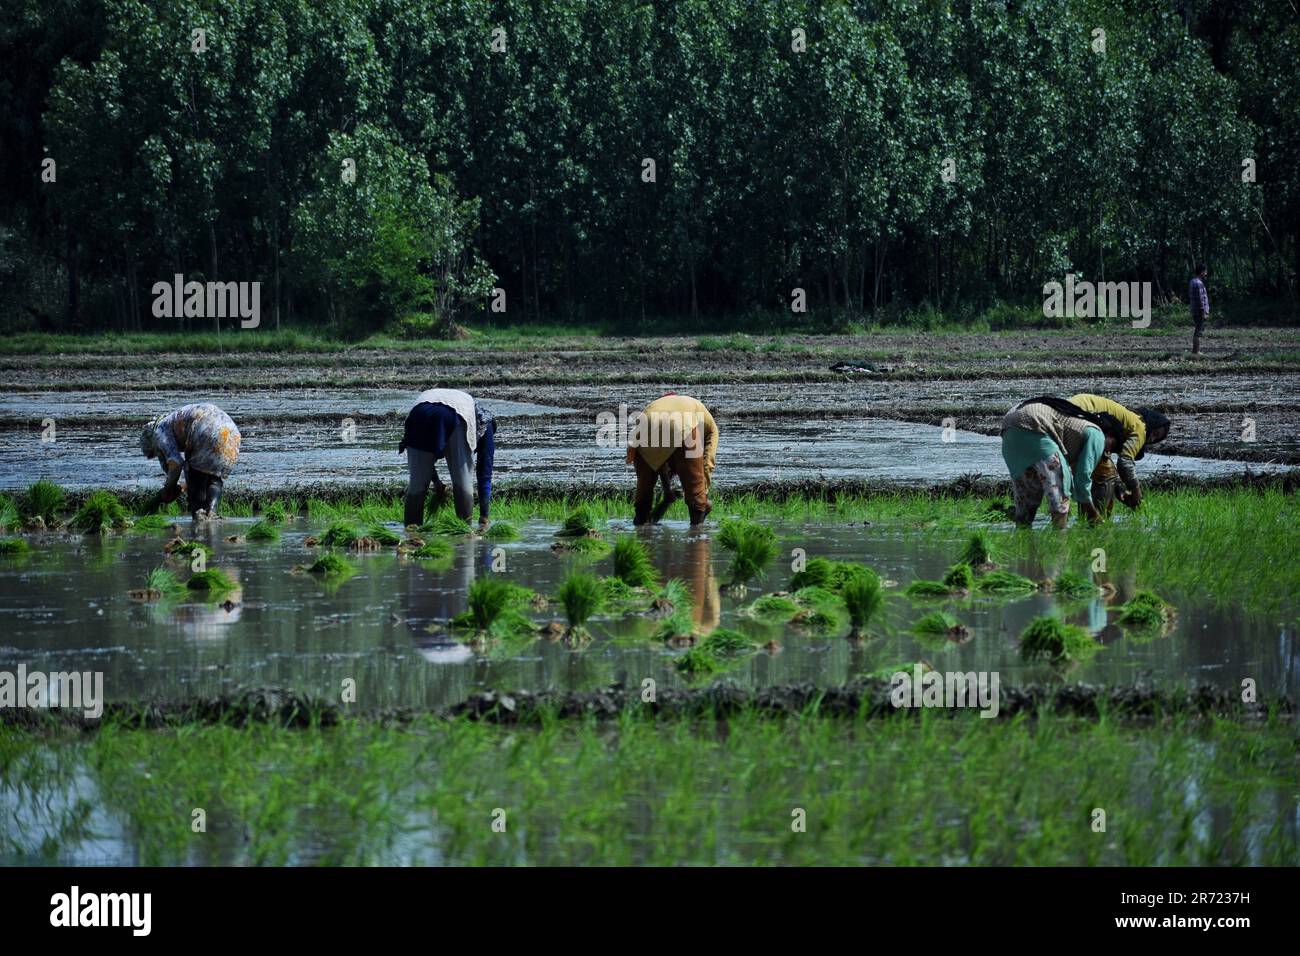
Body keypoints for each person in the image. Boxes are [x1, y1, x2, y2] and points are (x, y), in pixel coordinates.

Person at [999, 396, 1126, 528]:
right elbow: (1082, 478)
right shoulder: (1097, 434)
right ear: (1109, 435)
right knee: (1060, 497)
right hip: (1034, 420)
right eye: (1112, 446)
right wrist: (1092, 513)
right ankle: (1060, 543)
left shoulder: (1076, 424)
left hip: (1010, 425)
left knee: (1027, 504)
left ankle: (1024, 544)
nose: (1107, 452)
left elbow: (1076, 472)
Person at [398, 388, 495, 529]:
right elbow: (484, 474)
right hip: (455, 414)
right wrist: (484, 516)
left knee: (417, 484)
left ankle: (411, 536)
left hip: (418, 413)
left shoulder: (473, 410)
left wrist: (437, 483)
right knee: (463, 482)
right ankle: (464, 533)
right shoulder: (487, 425)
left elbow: (427, 458)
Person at [1068, 394, 1171, 514]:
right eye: (1155, 434)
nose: (1151, 440)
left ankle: (1086, 517)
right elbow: (1125, 462)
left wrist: (1118, 489)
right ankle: (1095, 522)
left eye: (1156, 439)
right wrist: (1136, 490)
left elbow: (1107, 457)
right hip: (1083, 413)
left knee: (1096, 471)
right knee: (1104, 476)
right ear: (1151, 424)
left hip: (1071, 409)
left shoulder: (1129, 420)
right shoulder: (1140, 428)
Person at [627, 393, 717, 526]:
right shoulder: (705, 420)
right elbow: (708, 460)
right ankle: (697, 532)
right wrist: (703, 492)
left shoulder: (656, 405)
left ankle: (641, 521)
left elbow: (659, 459)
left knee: (644, 493)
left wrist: (667, 490)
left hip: (645, 426)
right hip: (682, 423)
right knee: (697, 502)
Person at [140, 403, 241, 519]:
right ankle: (211, 512)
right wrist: (179, 486)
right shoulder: (173, 420)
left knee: (195, 479)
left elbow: (176, 463)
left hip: (205, 430)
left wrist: (168, 488)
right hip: (231, 433)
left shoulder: (160, 431)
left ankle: (198, 517)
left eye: (155, 452)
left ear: (152, 442)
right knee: (214, 479)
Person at [1190, 262, 1210, 354]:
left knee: (1198, 329)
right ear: (1202, 272)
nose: (1206, 274)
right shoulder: (1199, 284)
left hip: (1194, 310)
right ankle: (1196, 350)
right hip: (1199, 312)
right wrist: (1203, 313)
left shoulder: (1192, 282)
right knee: (1198, 331)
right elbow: (1200, 300)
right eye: (1205, 272)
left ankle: (1196, 350)